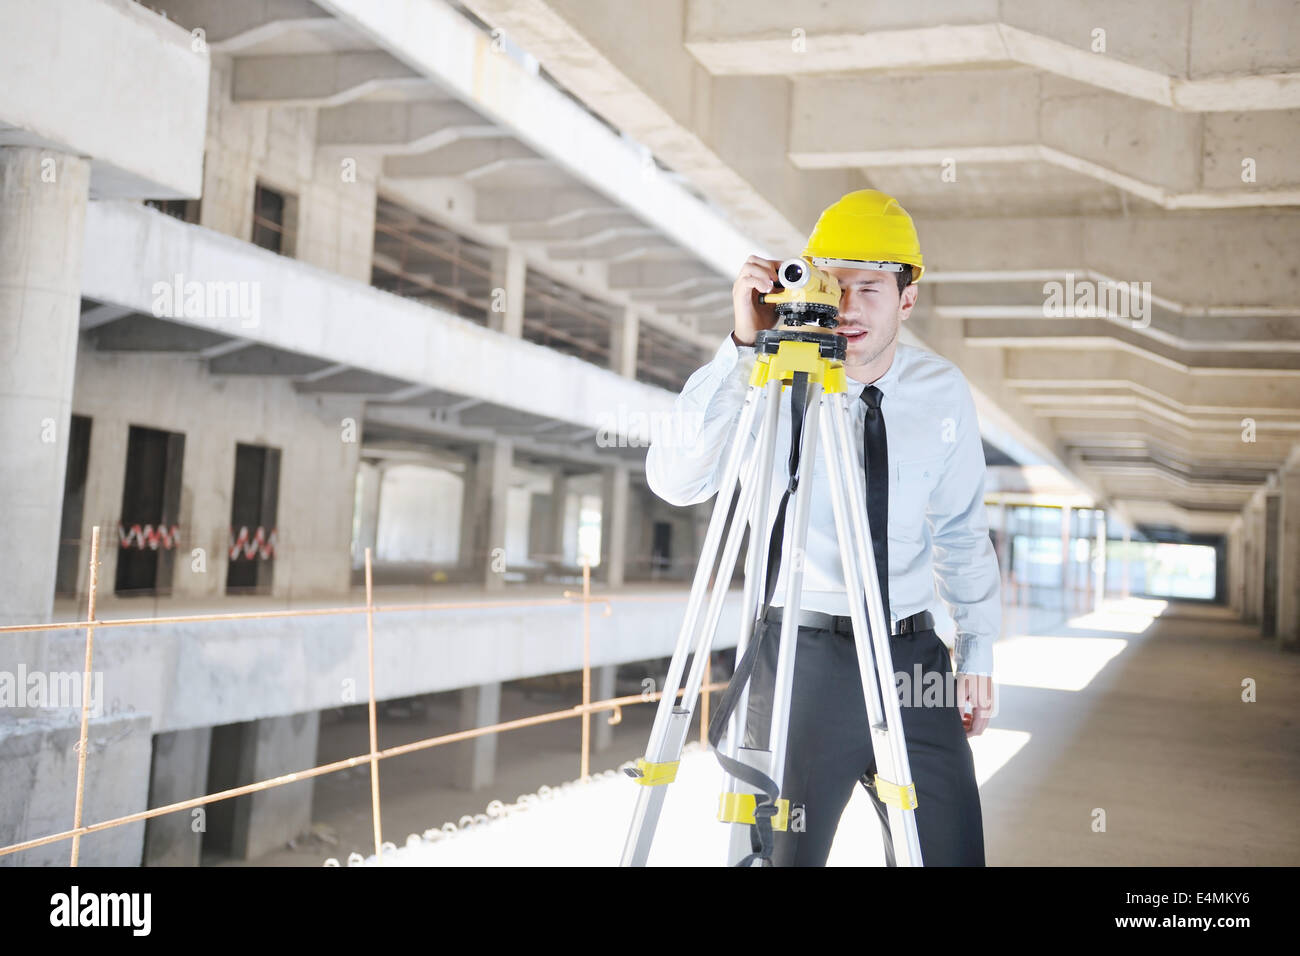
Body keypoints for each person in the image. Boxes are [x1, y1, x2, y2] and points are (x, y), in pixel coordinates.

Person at [645, 189, 999, 866]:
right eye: (835, 283)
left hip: (912, 661)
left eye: (870, 287)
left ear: (908, 298)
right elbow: (676, 478)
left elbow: (960, 530)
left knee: (950, 854)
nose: (849, 306)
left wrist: (977, 654)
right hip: (799, 661)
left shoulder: (942, 389)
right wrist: (743, 349)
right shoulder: (769, 379)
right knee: (785, 859)